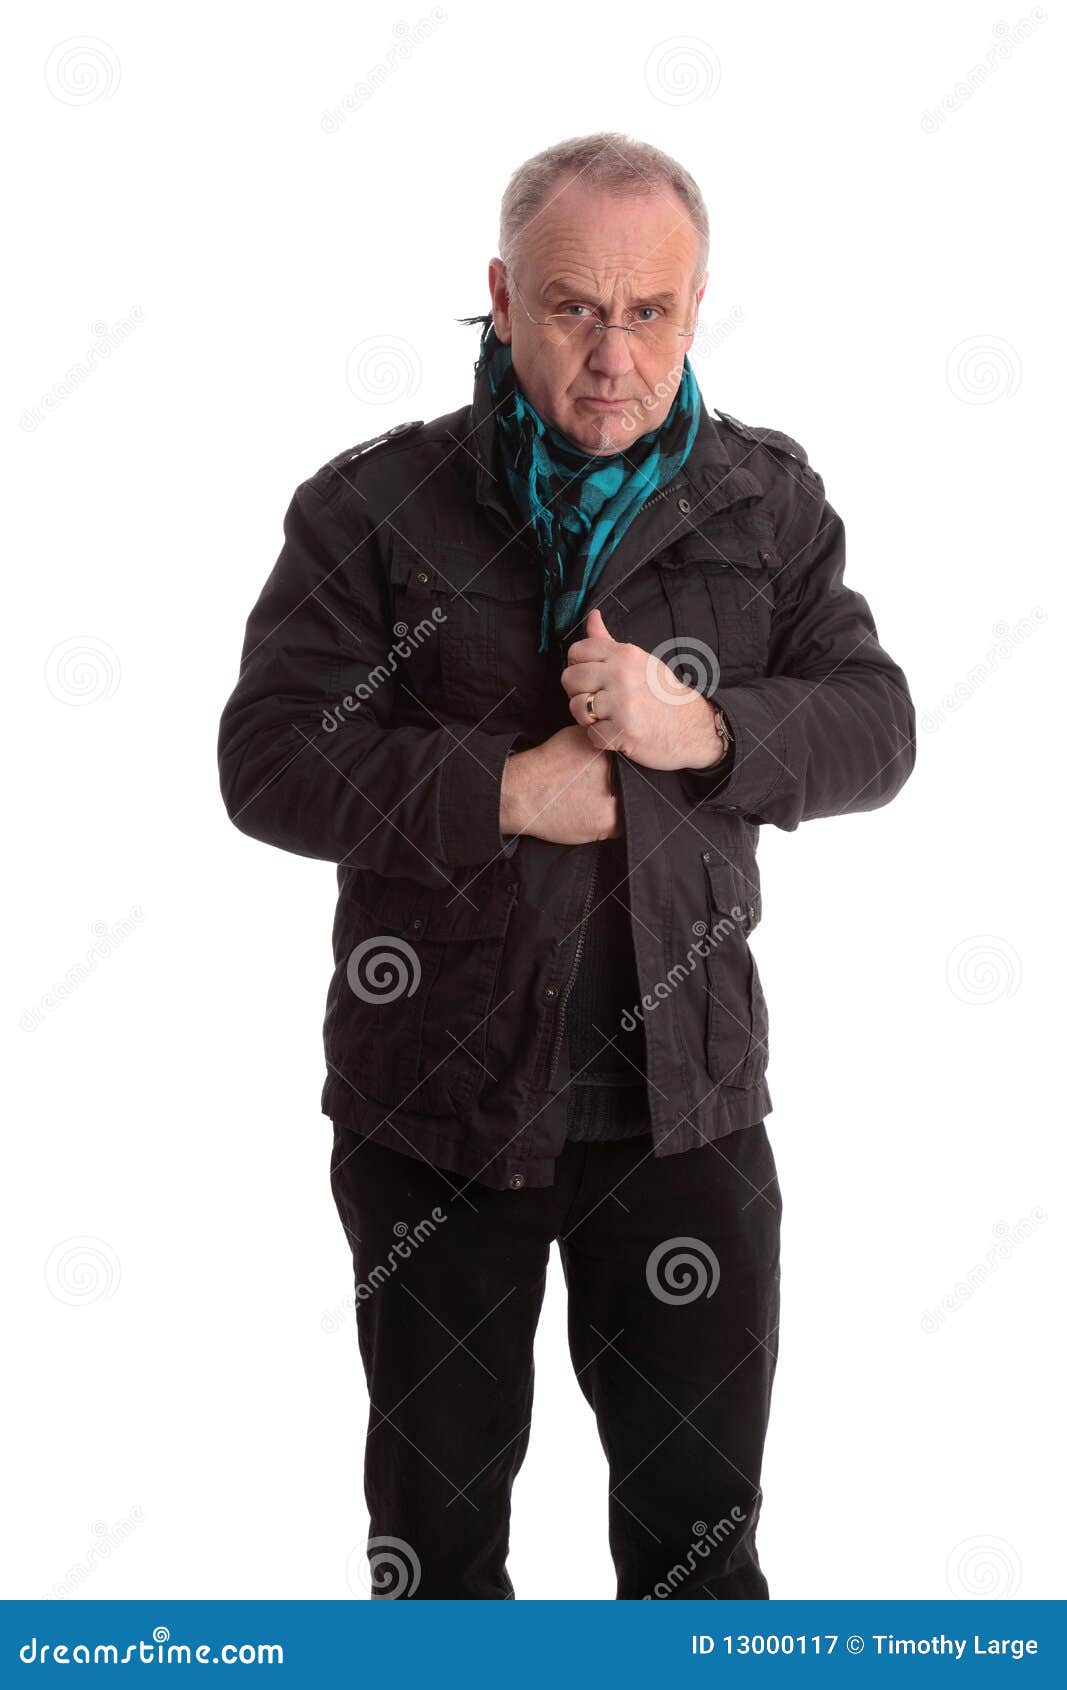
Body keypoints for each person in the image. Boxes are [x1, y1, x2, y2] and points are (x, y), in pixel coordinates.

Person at [217, 132, 916, 1599]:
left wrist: (705, 726)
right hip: (439, 1109)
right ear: (502, 294)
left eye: (648, 312)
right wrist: (501, 791)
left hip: (688, 1112)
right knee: (439, 1541)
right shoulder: (374, 506)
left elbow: (877, 725)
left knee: (699, 1552)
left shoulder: (765, 501)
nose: (612, 355)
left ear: (697, 303)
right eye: (571, 309)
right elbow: (268, 760)